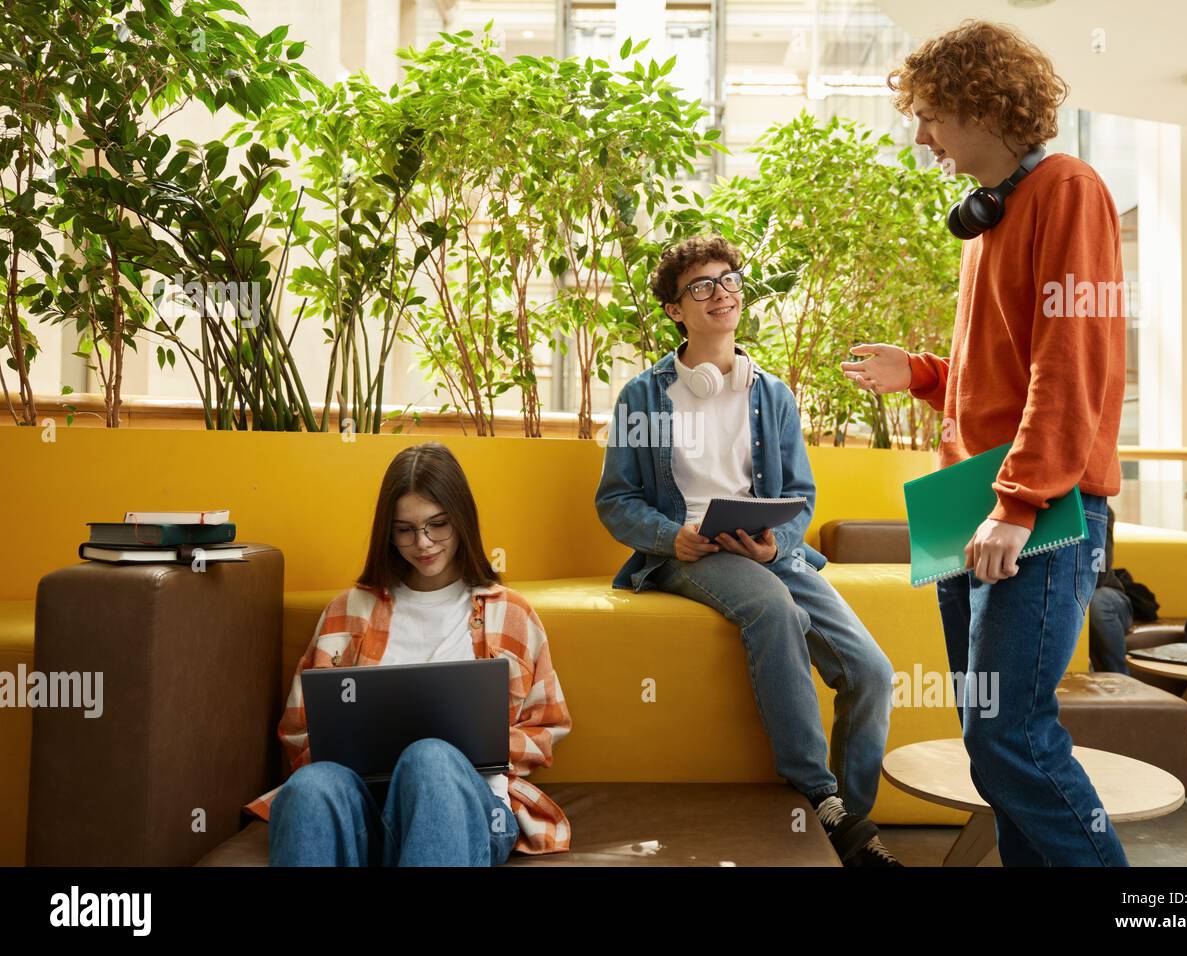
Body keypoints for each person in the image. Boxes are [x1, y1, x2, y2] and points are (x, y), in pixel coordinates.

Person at [843, 20, 1129, 866]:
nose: (922, 138)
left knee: (1012, 737)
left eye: (931, 117)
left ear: (982, 105)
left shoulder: (1067, 189)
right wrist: (923, 373)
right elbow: (1000, 370)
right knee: (987, 737)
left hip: (1029, 502)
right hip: (965, 496)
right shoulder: (992, 218)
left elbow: (1071, 362)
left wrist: (1019, 502)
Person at [595, 234, 901, 868]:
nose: (722, 293)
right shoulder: (642, 398)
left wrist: (775, 545)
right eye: (702, 286)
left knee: (871, 672)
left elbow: (801, 495)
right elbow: (616, 500)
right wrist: (671, 537)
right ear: (675, 310)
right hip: (689, 553)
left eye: (730, 280)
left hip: (767, 553)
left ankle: (849, 825)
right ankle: (818, 793)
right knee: (774, 610)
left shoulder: (772, 394)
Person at [244, 441, 571, 865]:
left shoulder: (510, 612)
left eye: (438, 525)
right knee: (310, 785)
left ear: (462, 519)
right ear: (388, 532)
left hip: (467, 810)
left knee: (429, 760)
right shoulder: (348, 611)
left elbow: (548, 723)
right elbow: (298, 730)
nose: (423, 543)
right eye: (405, 530)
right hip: (365, 810)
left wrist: (477, 746)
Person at [1089, 504, 1133, 674]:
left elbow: (1098, 575)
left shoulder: (1098, 509)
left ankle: (1120, 680)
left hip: (1109, 596)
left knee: (1095, 603)